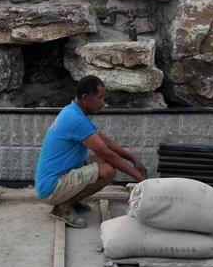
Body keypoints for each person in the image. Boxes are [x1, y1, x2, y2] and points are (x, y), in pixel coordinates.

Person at [35, 75, 147, 228]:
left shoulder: (74, 112)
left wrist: (133, 159)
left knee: (103, 162)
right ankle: (63, 206)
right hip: (52, 187)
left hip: (56, 179)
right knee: (107, 171)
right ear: (85, 98)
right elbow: (106, 153)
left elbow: (105, 141)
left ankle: (70, 201)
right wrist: (139, 178)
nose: (103, 102)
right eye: (99, 98)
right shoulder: (75, 119)